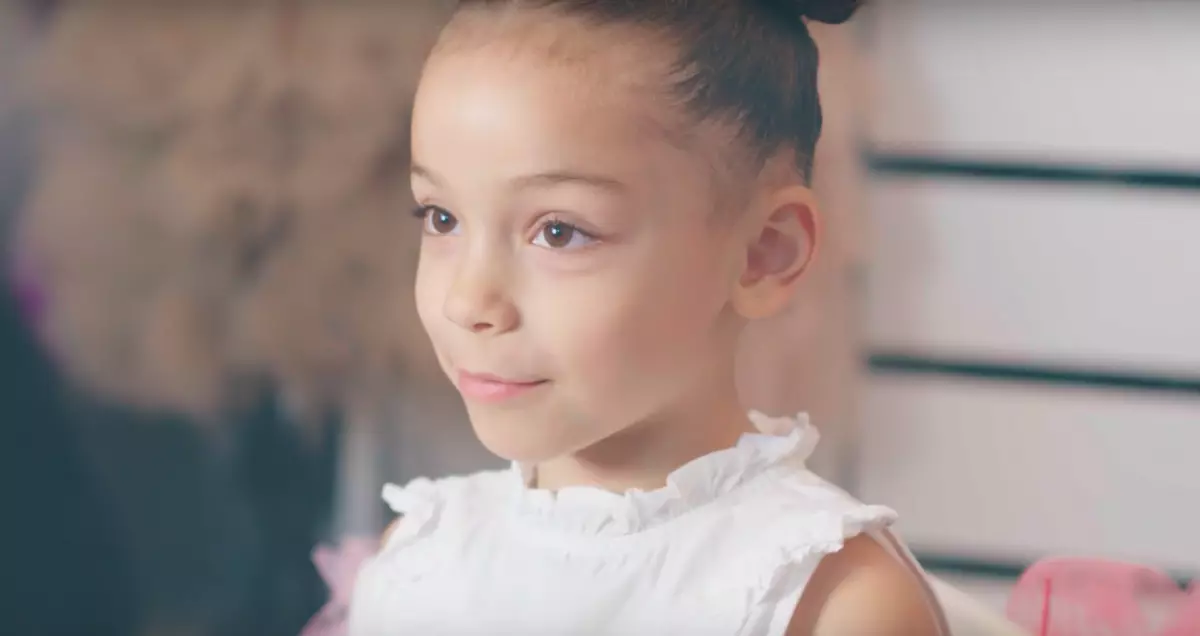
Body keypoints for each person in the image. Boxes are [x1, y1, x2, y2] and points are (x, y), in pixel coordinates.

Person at [349, 1, 947, 634]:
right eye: (441, 218)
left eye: (558, 232)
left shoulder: (829, 604)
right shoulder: (417, 559)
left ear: (763, 254)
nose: (467, 302)